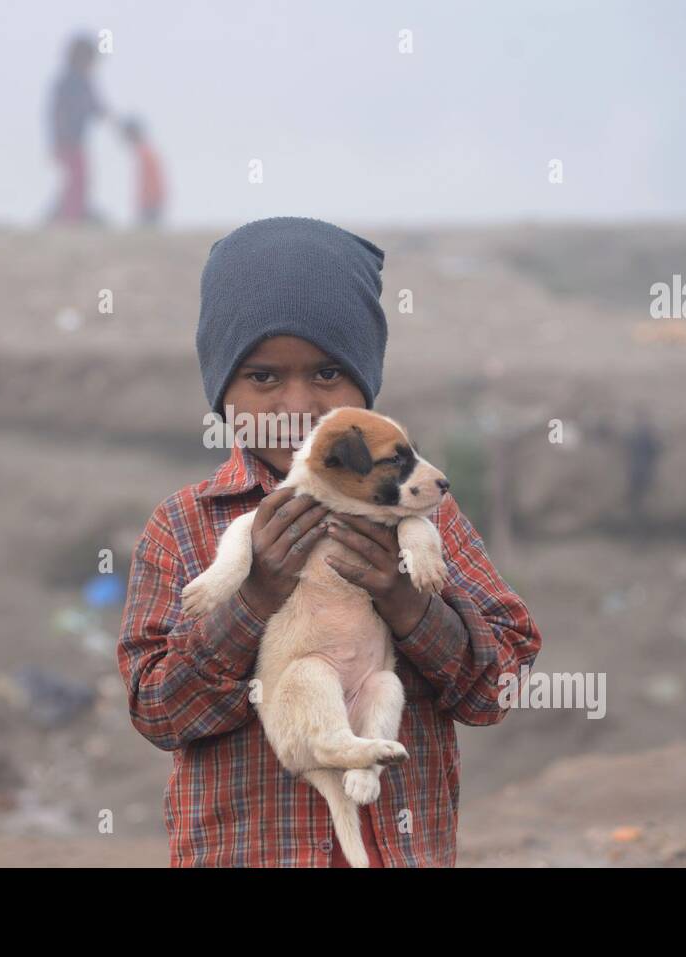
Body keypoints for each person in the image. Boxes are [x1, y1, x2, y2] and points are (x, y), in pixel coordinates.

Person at [116, 217, 543, 867]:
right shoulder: (184, 527)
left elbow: (498, 688)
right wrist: (252, 600)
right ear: (221, 390)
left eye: (328, 372)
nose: (299, 404)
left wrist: (409, 606)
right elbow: (158, 711)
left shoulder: (421, 512)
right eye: (262, 377)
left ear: (365, 385)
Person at [46, 33, 107, 225]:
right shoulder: (68, 82)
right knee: (76, 180)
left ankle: (69, 215)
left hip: (74, 141)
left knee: (77, 180)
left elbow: (95, 106)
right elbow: (57, 113)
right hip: (67, 141)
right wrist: (58, 140)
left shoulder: (82, 81)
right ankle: (69, 217)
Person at [119, 116, 166, 228]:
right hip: (151, 201)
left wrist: (147, 201)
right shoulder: (145, 152)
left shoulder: (145, 153)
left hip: (150, 202)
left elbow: (151, 181)